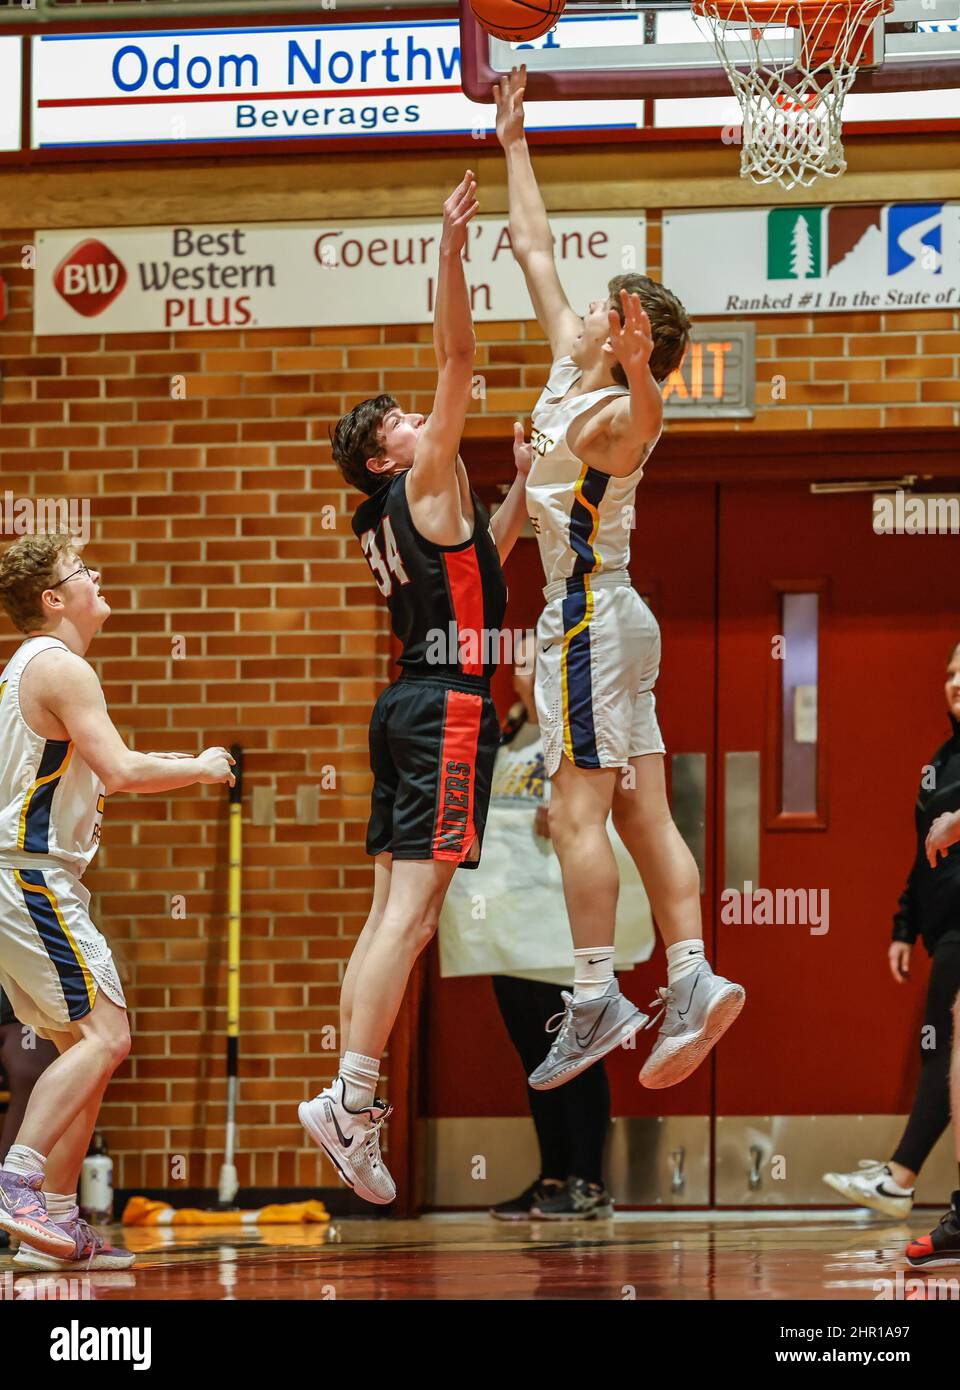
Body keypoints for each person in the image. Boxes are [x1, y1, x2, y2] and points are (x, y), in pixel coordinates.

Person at [494, 67, 744, 1094]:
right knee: (643, 811)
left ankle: (596, 994)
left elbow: (648, 427)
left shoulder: (613, 412)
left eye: (620, 315)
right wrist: (515, 142)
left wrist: (646, 373)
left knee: (575, 812)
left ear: (635, 337)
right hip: (614, 620)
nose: (595, 307)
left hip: (590, 618)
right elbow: (538, 247)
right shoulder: (566, 362)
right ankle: (690, 975)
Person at [298, 172, 530, 1206]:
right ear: (381, 453)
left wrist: (522, 478)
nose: (416, 413)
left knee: (399, 914)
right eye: (396, 418)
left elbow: (489, 555)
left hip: (412, 700)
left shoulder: (412, 516)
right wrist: (449, 247)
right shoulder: (419, 478)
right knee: (410, 914)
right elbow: (459, 356)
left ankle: (346, 1095)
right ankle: (353, 1097)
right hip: (446, 707)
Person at [0, 531, 235, 1270]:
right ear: (53, 599)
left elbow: (108, 768)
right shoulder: (62, 667)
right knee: (108, 1038)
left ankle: (58, 1230)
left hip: (29, 877)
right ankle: (18, 1182)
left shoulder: (33, 669)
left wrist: (178, 763)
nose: (97, 578)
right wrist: (198, 768)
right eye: (82, 571)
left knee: (84, 1049)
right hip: (32, 877)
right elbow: (123, 772)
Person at [439, 633, 655, 1220]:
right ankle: (553, 1176)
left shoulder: (589, 737)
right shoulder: (506, 735)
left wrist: (575, 817)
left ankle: (588, 1182)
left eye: (541, 660)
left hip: (561, 927)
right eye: (522, 661)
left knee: (576, 1051)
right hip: (508, 927)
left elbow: (631, 814)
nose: (526, 669)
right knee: (534, 1055)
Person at [823, 641, 960, 1223]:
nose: (955, 681)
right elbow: (923, 854)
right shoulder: (942, 761)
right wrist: (905, 924)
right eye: (951, 670)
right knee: (948, 1055)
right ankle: (902, 1180)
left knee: (946, 1054)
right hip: (947, 928)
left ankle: (900, 1178)